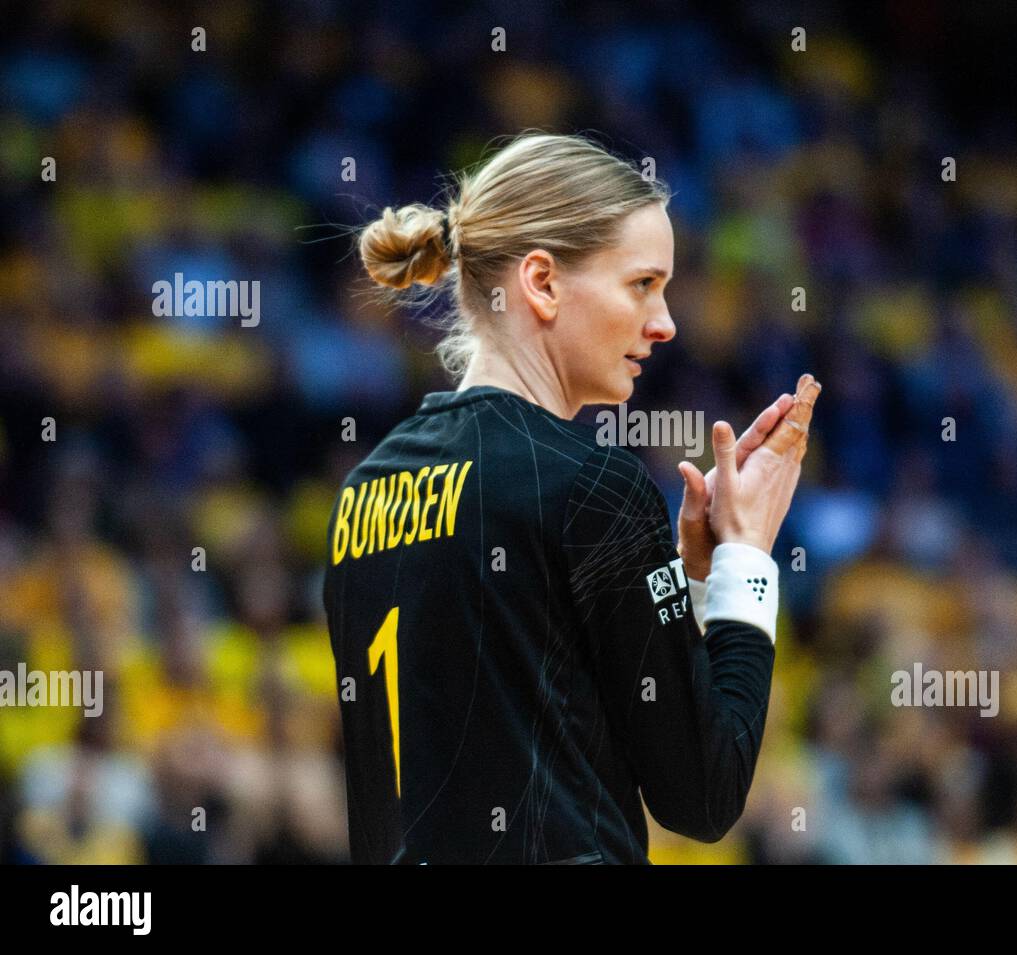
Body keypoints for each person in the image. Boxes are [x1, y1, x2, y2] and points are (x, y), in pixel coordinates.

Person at [323, 132, 821, 864]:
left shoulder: (363, 492)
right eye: (642, 283)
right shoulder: (594, 487)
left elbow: (530, 697)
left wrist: (678, 576)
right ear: (542, 282)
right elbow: (703, 794)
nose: (665, 322)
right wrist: (743, 562)